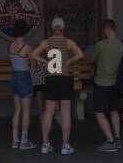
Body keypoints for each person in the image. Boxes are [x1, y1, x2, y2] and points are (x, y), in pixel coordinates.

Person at [30, 17, 83, 155]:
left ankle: (45, 145)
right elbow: (81, 54)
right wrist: (70, 60)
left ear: (52, 29)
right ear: (63, 28)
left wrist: (45, 61)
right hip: (65, 79)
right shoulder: (69, 42)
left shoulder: (47, 42)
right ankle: (65, 146)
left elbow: (33, 54)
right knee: (65, 113)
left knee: (48, 112)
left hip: (51, 79)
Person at [86, 19, 123, 151]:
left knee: (98, 111)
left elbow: (91, 59)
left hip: (101, 82)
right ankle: (118, 139)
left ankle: (110, 141)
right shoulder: (121, 44)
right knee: (113, 110)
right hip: (115, 82)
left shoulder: (101, 44)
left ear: (106, 29)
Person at [7, 21, 37, 150]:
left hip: (13, 77)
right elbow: (33, 64)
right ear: (25, 31)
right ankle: (24, 141)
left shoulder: (11, 45)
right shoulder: (27, 47)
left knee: (17, 110)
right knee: (26, 112)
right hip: (24, 78)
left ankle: (15, 141)